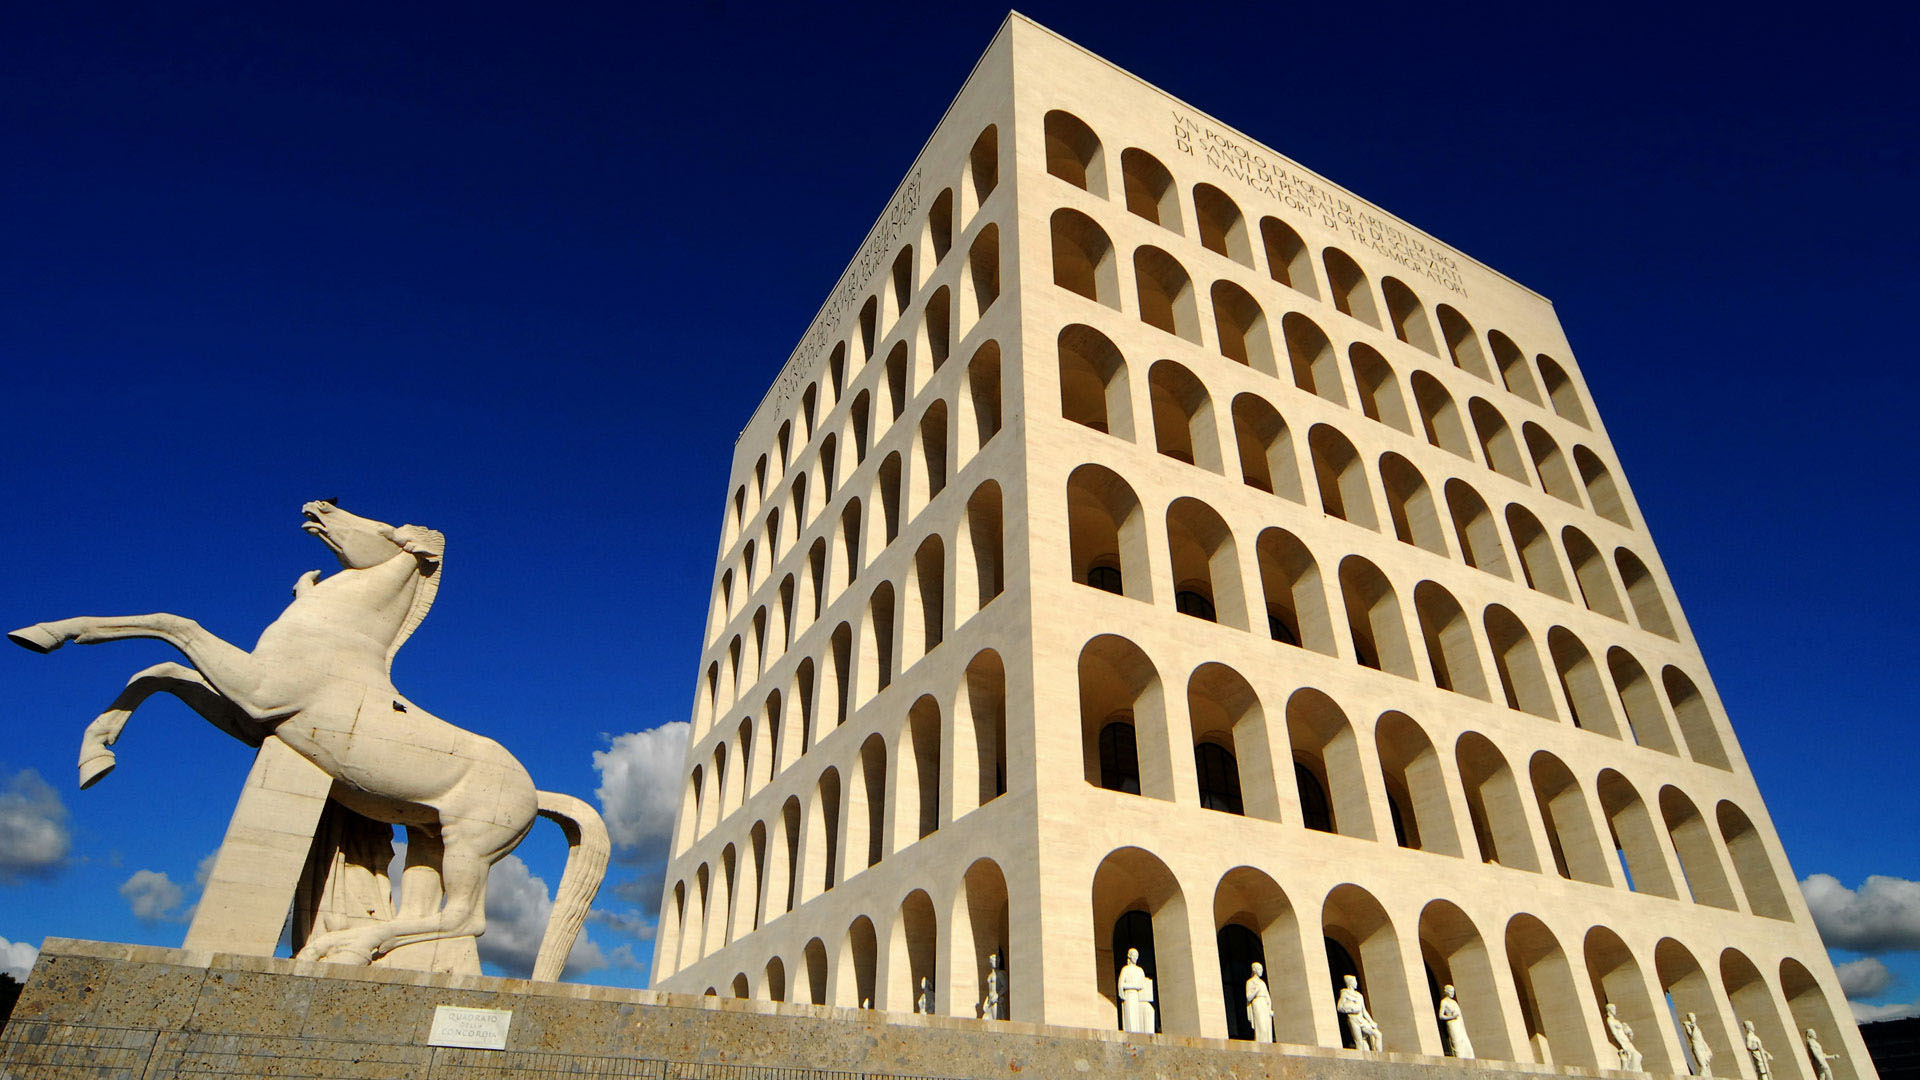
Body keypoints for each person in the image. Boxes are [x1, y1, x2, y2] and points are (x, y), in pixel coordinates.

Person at [1336, 974, 1384, 1052]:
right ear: (1350, 983)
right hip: (1353, 1019)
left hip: (1361, 1018)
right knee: (1359, 1041)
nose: (1356, 983)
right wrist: (1352, 1008)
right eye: (1354, 982)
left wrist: (1371, 1022)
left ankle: (1379, 1055)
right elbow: (1339, 1007)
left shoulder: (1359, 995)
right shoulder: (1345, 994)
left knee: (1378, 1034)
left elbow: (1364, 1010)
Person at [1117, 948, 1156, 1034]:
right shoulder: (1125, 969)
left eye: (1136, 956)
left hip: (1137, 995)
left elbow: (1142, 985)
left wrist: (1135, 987)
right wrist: (1132, 986)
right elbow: (1121, 984)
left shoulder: (1139, 970)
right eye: (1133, 955)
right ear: (1130, 956)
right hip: (1128, 994)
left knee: (1138, 1015)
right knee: (1130, 1017)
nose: (1135, 957)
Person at [1437, 984, 1473, 1059]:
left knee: (1463, 1040)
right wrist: (1451, 1017)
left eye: (1453, 992)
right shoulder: (1444, 1002)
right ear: (1447, 992)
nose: (1452, 993)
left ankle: (1466, 1056)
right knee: (1456, 1041)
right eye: (1451, 992)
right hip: (1452, 1023)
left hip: (1458, 1023)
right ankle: (1459, 1057)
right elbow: (1441, 1016)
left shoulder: (1454, 1002)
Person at [1606, 1003, 1644, 1071]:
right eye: (1613, 1008)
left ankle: (1634, 1071)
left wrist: (1629, 1031)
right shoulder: (1610, 1020)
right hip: (1623, 1042)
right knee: (1636, 1056)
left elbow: (1627, 1033)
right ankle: (1633, 1072)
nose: (1614, 1010)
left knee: (1638, 1056)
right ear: (1609, 1010)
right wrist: (1621, 1044)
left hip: (1626, 1041)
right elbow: (1614, 1033)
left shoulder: (1617, 1021)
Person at [1245, 962, 1275, 1043]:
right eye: (1259, 969)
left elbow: (1268, 997)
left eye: (1262, 969)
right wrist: (1256, 990)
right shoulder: (1250, 982)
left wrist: (1269, 1009)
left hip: (1264, 1004)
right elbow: (1248, 997)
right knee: (1261, 1025)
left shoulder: (1262, 983)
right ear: (1254, 970)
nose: (1261, 971)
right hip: (1257, 1003)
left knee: (1267, 1026)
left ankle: (1267, 1043)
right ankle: (1261, 1042)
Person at [1681, 1011, 1713, 1077]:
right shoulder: (1690, 1027)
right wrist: (1687, 1026)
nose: (1692, 1018)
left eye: (1693, 1017)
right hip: (1697, 1046)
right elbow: (1691, 1036)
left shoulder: (1697, 1028)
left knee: (1706, 1065)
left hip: (1702, 1047)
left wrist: (1707, 1048)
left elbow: (1702, 1039)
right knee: (1702, 1065)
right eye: (1690, 1017)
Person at [982, 952, 1005, 1020]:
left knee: (996, 1018)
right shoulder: (990, 975)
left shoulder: (1000, 974)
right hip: (990, 999)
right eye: (994, 961)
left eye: (996, 961)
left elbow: (1005, 987)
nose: (995, 962)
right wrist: (987, 1000)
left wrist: (997, 996)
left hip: (995, 999)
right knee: (987, 1018)